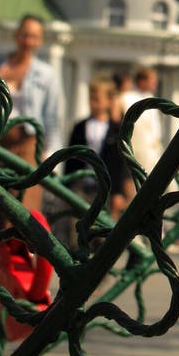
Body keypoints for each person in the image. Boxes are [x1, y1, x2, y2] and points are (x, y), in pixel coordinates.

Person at [0, 15, 62, 222]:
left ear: (40, 40)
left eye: (34, 37)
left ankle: (18, 253)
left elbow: (52, 117)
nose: (28, 41)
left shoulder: (46, 74)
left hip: (27, 142)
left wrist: (51, 155)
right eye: (25, 35)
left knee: (21, 210)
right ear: (17, 35)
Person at [65, 76, 133, 236]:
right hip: (81, 186)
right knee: (77, 229)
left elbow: (120, 164)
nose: (93, 103)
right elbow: (71, 158)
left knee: (103, 233)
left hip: (106, 189)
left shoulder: (117, 131)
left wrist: (119, 193)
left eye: (97, 99)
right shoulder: (80, 127)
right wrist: (67, 185)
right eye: (91, 98)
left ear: (109, 101)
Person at [119, 67, 162, 176]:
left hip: (152, 151)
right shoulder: (126, 98)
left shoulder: (151, 98)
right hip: (135, 149)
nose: (155, 85)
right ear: (142, 81)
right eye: (152, 81)